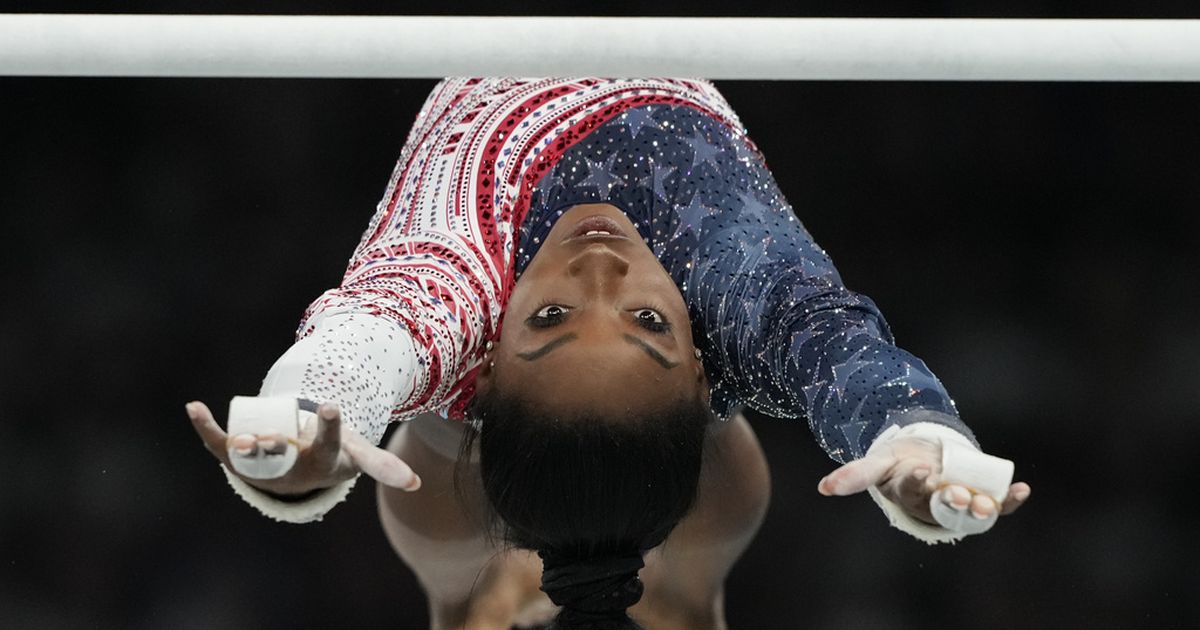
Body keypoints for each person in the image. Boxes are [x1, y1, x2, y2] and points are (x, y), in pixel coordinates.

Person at [187, 78, 1031, 629]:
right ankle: (655, 598)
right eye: (650, 324)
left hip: (478, 437)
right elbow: (835, 347)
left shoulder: (460, 284)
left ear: (482, 373)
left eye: (550, 314)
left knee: (463, 524)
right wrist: (916, 437)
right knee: (698, 505)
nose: (600, 268)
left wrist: (300, 430)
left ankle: (479, 600)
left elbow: (364, 344)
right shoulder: (731, 284)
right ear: (702, 363)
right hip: (678, 439)